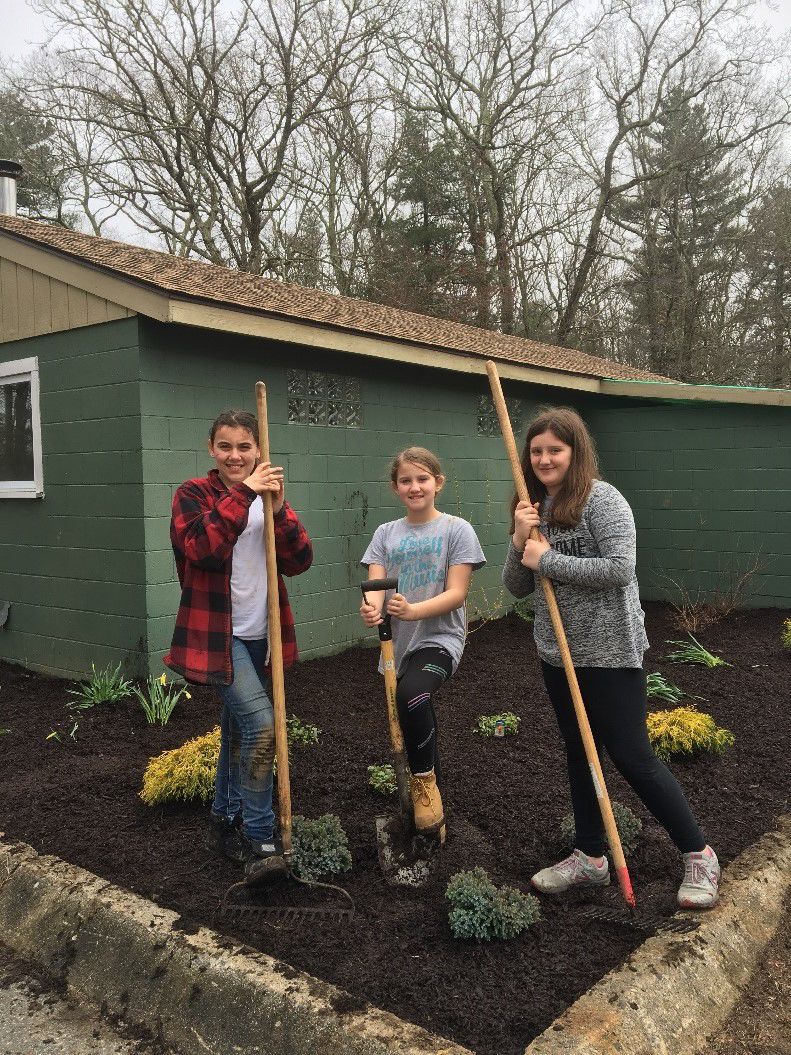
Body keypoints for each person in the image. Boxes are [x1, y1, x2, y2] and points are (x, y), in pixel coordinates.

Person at [501, 408, 720, 909]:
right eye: (536, 451)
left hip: (611, 651)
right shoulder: (531, 506)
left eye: (554, 449)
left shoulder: (602, 499)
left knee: (632, 756)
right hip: (557, 655)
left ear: (574, 451)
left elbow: (621, 568)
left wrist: (548, 558)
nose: (544, 459)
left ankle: (699, 852)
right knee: (581, 754)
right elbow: (515, 587)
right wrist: (518, 539)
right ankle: (590, 856)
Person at [165, 409, 312, 885]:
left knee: (237, 731)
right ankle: (261, 837)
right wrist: (245, 493)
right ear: (212, 448)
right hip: (216, 634)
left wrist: (280, 509)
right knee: (263, 727)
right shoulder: (193, 495)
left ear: (258, 450)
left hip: (260, 633)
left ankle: (222, 822)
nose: (235, 455)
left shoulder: (267, 495)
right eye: (225, 446)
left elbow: (300, 560)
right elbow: (203, 550)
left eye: (245, 447)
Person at [360, 447, 486, 840]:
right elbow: (375, 586)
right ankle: (429, 798)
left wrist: (414, 611)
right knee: (413, 706)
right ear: (396, 487)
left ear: (438, 483)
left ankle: (425, 784)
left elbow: (457, 594)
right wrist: (371, 609)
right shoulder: (385, 533)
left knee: (413, 694)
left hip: (440, 638)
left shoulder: (456, 530)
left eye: (422, 479)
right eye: (406, 480)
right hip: (397, 643)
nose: (415, 487)